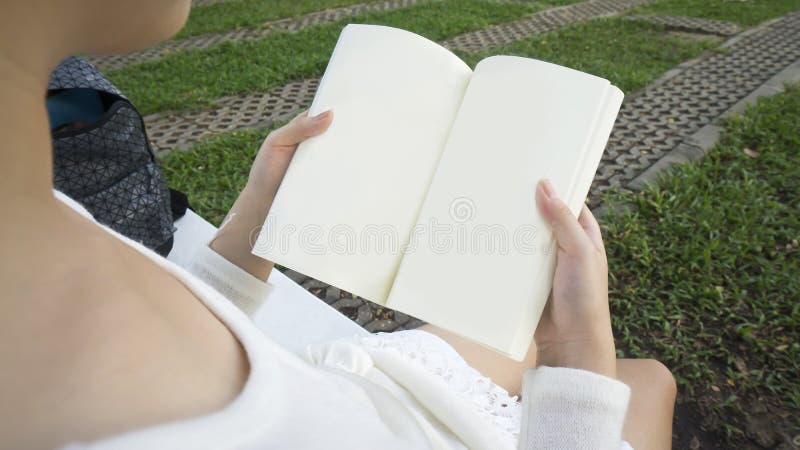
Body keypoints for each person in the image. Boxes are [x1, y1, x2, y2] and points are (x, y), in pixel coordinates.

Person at [0, 0, 677, 449]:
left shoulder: (39, 213)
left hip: (368, 383)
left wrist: (256, 216)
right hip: (418, 419)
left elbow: (169, 333)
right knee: (650, 381)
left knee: (536, 352)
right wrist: (576, 344)